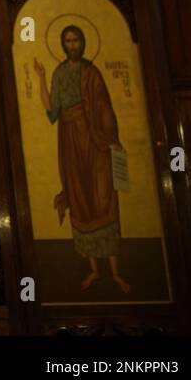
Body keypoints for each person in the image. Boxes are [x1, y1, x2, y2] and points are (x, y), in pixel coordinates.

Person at [35, 26, 130, 293]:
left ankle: (115, 272)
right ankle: (93, 270)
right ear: (63, 45)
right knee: (79, 198)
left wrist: (111, 138)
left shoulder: (92, 72)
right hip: (70, 140)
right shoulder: (60, 72)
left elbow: (104, 107)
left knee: (103, 197)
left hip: (94, 138)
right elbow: (52, 109)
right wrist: (41, 77)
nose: (72, 45)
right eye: (68, 41)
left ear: (83, 42)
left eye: (76, 40)